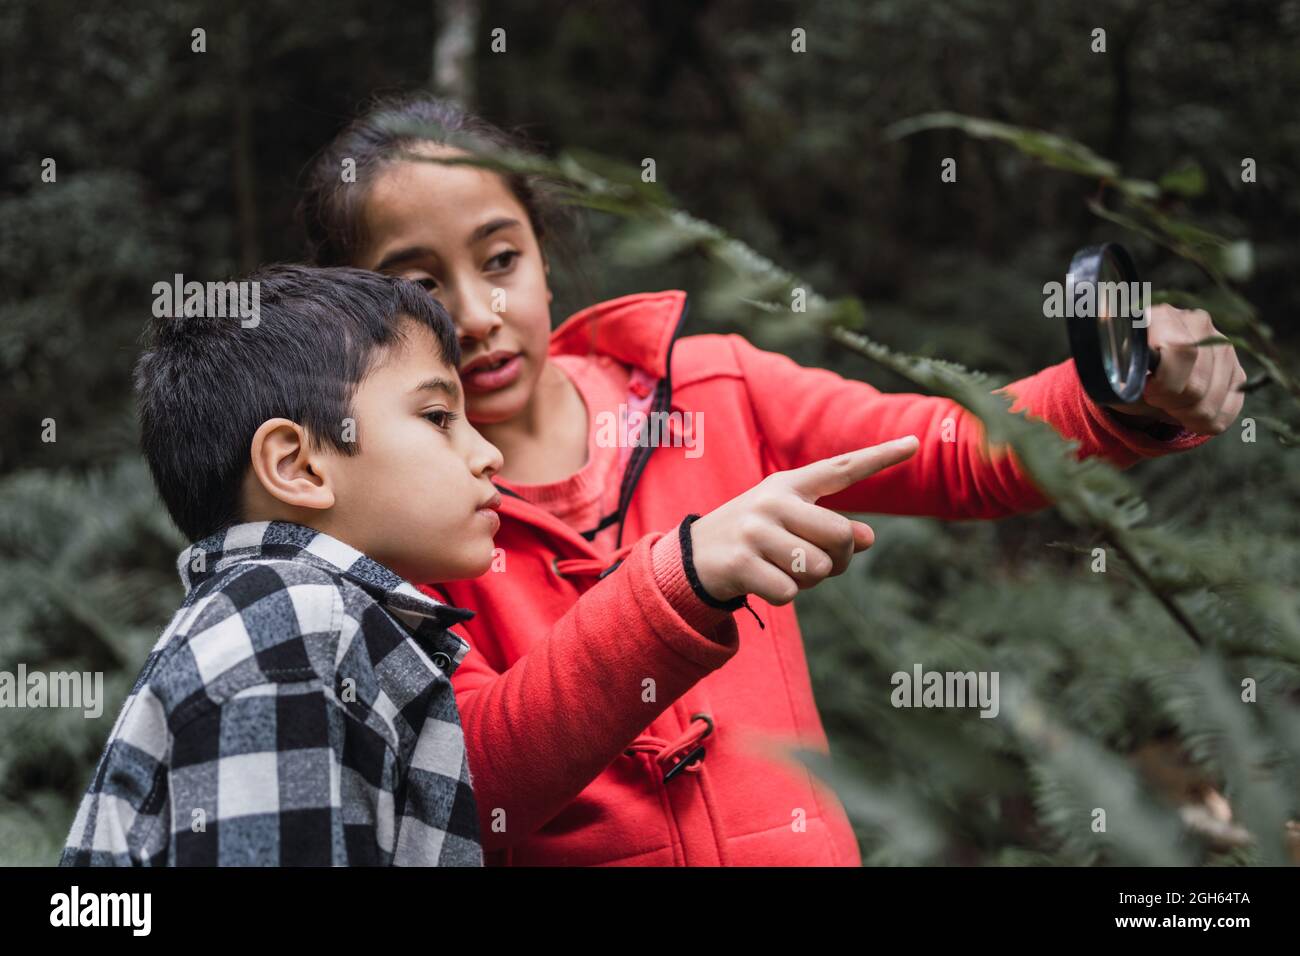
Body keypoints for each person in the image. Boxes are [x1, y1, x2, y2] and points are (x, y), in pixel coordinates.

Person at [299, 93, 1245, 866]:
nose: (477, 313)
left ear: (544, 254)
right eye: (416, 289)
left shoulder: (716, 385)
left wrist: (1119, 393)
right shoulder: (386, 517)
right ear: (350, 319)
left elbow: (954, 452)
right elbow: (473, 777)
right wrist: (680, 580)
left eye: (502, 258)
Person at [61, 265, 502, 865]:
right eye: (438, 418)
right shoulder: (291, 618)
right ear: (297, 466)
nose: (489, 455)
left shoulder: (291, 615)